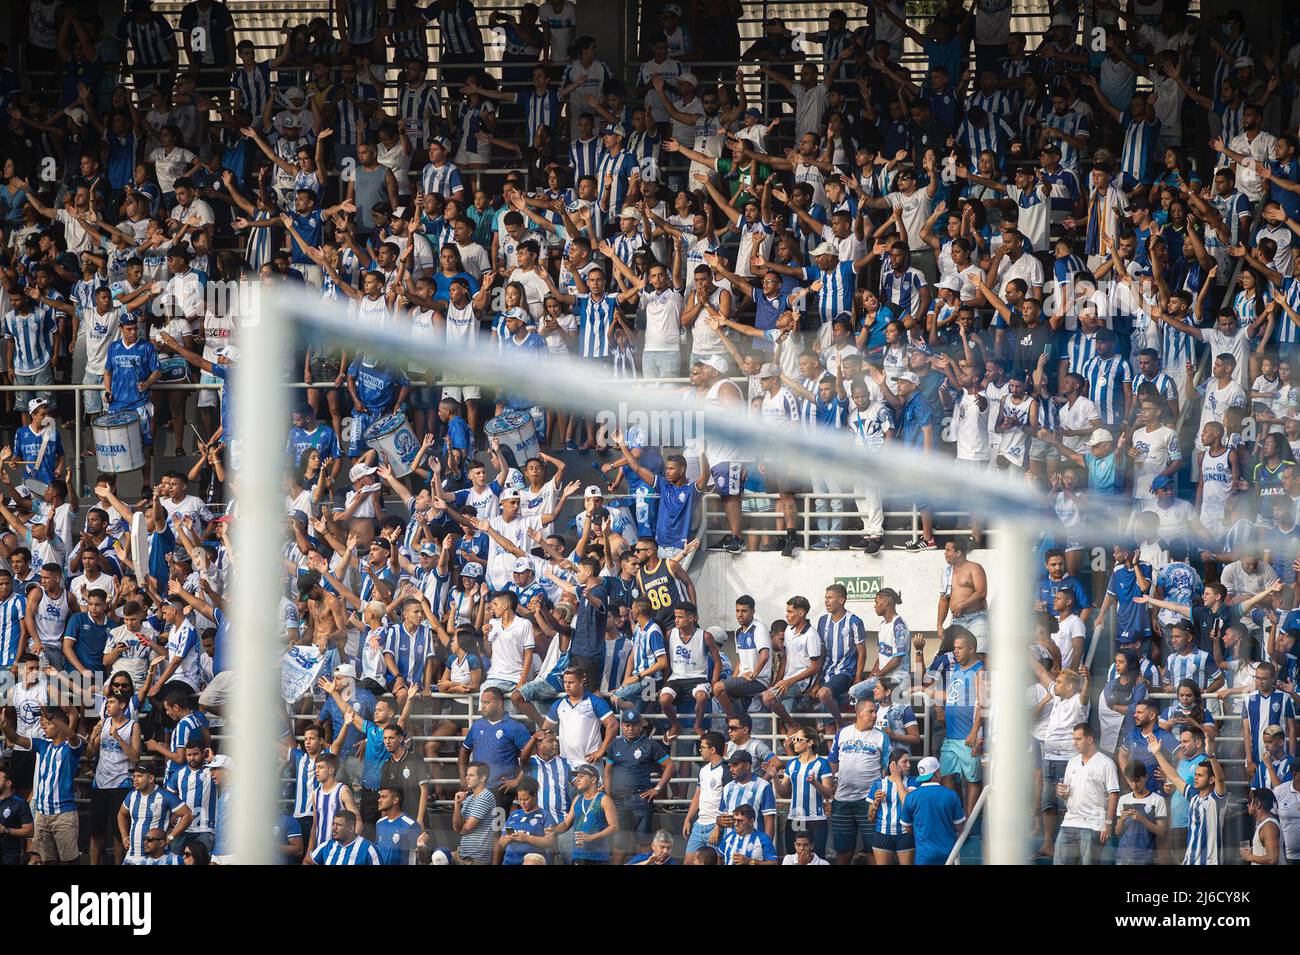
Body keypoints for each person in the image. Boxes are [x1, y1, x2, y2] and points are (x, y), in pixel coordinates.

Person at [0, 706, 84, 864]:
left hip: (63, 814)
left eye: (47, 723)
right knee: (45, 861)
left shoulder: (72, 748)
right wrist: (5, 728)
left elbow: (72, 735)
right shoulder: (43, 745)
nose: (43, 726)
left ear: (58, 725)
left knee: (69, 861)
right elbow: (16, 738)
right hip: (41, 814)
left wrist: (51, 717)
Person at [603, 709, 673, 864]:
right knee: (619, 843)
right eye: (627, 725)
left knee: (644, 842)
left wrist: (657, 789)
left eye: (634, 725)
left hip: (641, 800)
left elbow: (670, 765)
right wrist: (607, 794)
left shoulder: (650, 745)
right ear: (622, 725)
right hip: (619, 801)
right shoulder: (615, 745)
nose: (630, 728)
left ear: (640, 726)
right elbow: (608, 770)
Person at [1148, 737, 1228, 865]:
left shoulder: (1217, 800)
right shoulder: (1193, 796)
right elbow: (1173, 776)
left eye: (1200, 775)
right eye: (1196, 774)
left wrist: (1211, 756)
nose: (1196, 778)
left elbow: (1221, 780)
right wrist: (1157, 753)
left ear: (1211, 780)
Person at [1053, 723, 1120, 865]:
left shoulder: (1106, 763)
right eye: (1074, 739)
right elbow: (1067, 794)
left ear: (1089, 739)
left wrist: (1108, 824)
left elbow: (1114, 795)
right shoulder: (1071, 762)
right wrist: (1062, 793)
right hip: (1069, 821)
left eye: (1078, 739)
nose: (1074, 743)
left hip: (1093, 824)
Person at [899, 755, 966, 865]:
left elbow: (908, 827)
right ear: (937, 772)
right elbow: (959, 826)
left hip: (923, 855)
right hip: (949, 853)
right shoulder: (951, 795)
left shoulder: (911, 797)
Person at [548, 761, 618, 864]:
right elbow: (567, 823)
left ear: (593, 779)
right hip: (579, 855)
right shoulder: (577, 799)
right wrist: (554, 829)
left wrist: (592, 837)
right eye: (577, 777)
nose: (578, 779)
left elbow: (614, 827)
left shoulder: (604, 799)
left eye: (581, 776)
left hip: (599, 856)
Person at [451, 761, 499, 864]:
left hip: (476, 859)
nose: (466, 778)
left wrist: (462, 829)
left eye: (471, 775)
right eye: (467, 775)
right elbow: (456, 827)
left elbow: (466, 828)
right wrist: (457, 804)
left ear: (482, 778)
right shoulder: (469, 798)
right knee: (439, 855)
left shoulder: (486, 796)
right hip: (462, 855)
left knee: (440, 857)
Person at [306, 809, 381, 865]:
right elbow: (308, 861)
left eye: (339, 825)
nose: (334, 828)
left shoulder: (368, 849)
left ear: (351, 828)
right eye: (333, 824)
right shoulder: (326, 846)